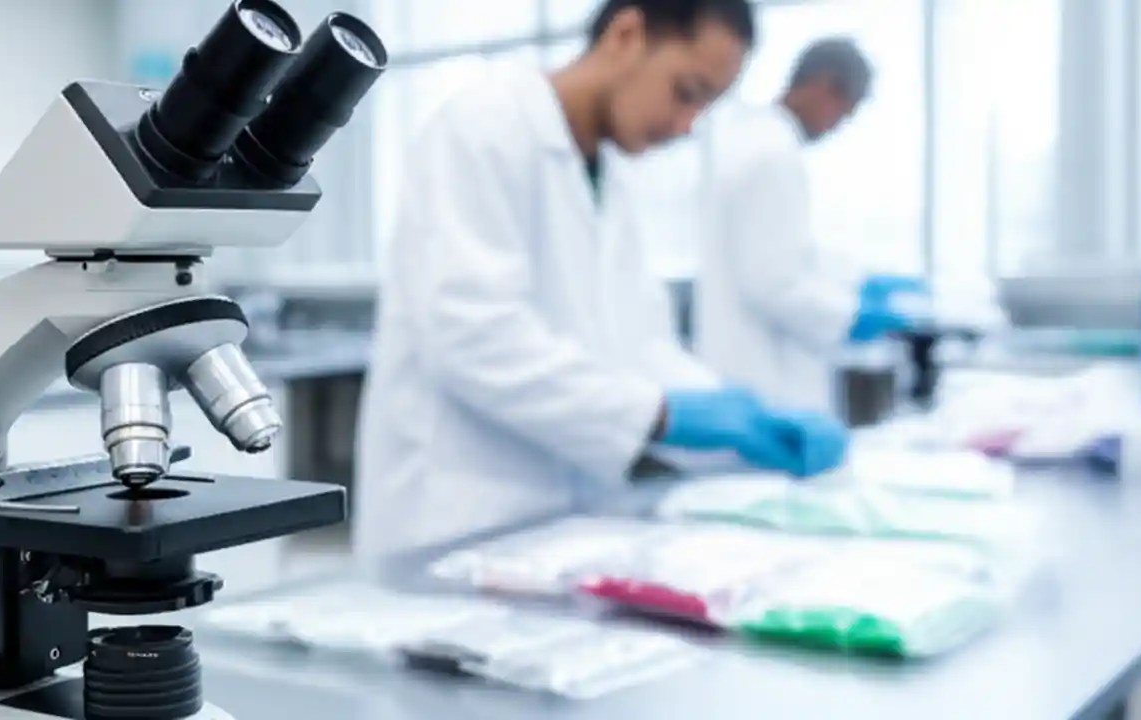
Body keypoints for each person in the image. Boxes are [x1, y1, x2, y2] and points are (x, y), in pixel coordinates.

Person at [356, 0, 848, 561]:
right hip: (453, 522)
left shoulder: (614, 180)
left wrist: (742, 419)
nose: (687, 126)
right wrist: (664, 415)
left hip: (560, 529)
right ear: (626, 34)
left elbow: (643, 347)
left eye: (706, 107)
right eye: (686, 92)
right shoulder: (484, 126)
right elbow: (471, 338)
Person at [695, 38, 928, 415]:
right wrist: (851, 316)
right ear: (822, 86)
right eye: (845, 110)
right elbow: (773, 282)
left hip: (751, 372)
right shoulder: (772, 156)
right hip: (765, 383)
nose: (839, 125)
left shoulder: (756, 142)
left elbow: (783, 254)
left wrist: (854, 282)